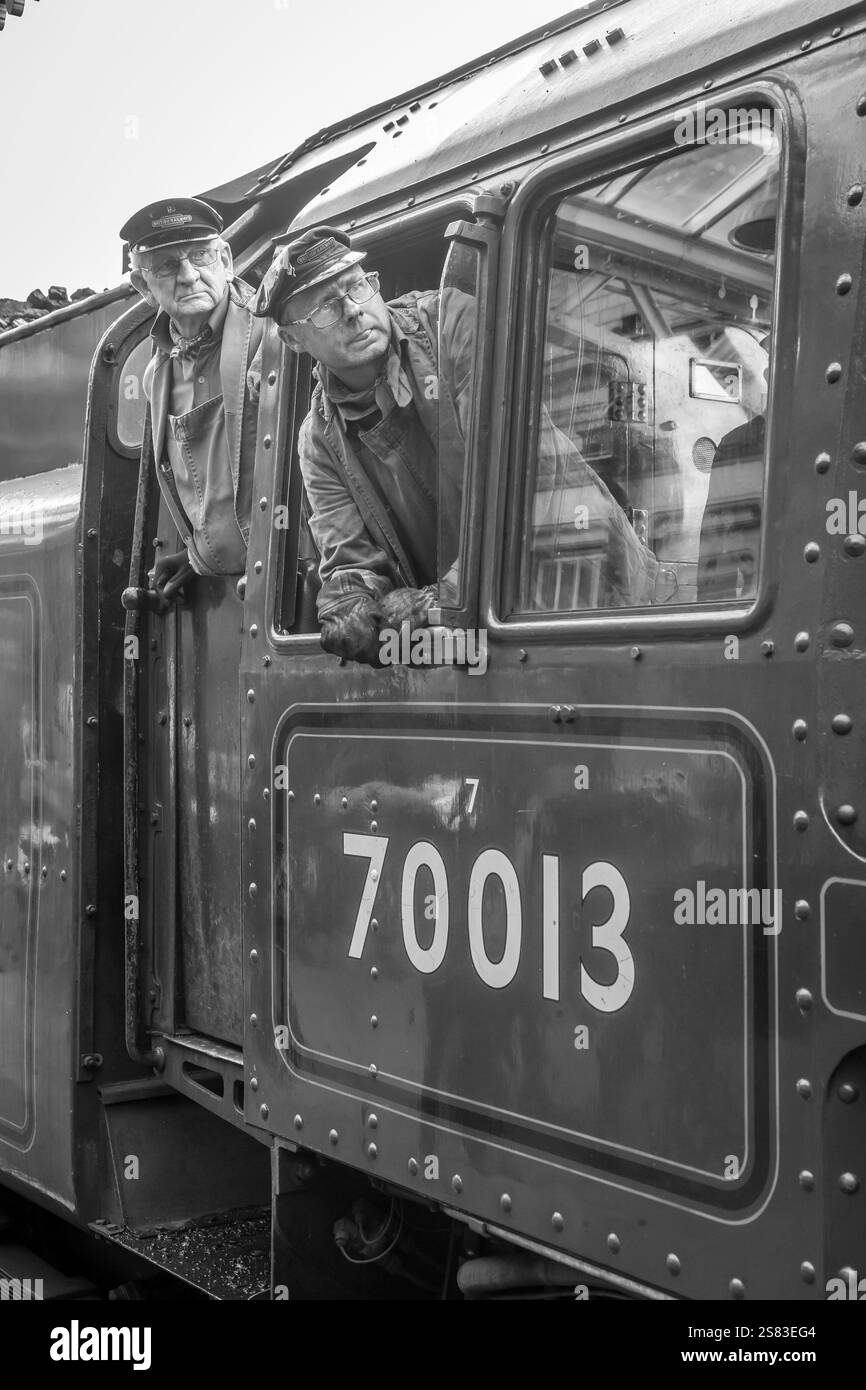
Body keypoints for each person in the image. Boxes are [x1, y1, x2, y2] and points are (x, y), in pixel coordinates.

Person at [253, 225, 470, 663]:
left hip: (581, 598)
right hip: (473, 646)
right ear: (293, 339)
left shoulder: (453, 324)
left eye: (357, 287)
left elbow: (525, 494)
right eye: (326, 309)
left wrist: (437, 599)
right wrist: (347, 604)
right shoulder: (318, 441)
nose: (354, 311)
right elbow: (349, 556)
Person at [121, 197, 264, 604]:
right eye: (166, 265)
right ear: (143, 287)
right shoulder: (156, 376)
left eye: (201, 255)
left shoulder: (275, 333)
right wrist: (199, 556)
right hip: (232, 594)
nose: (188, 275)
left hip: (290, 591)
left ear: (226, 260)